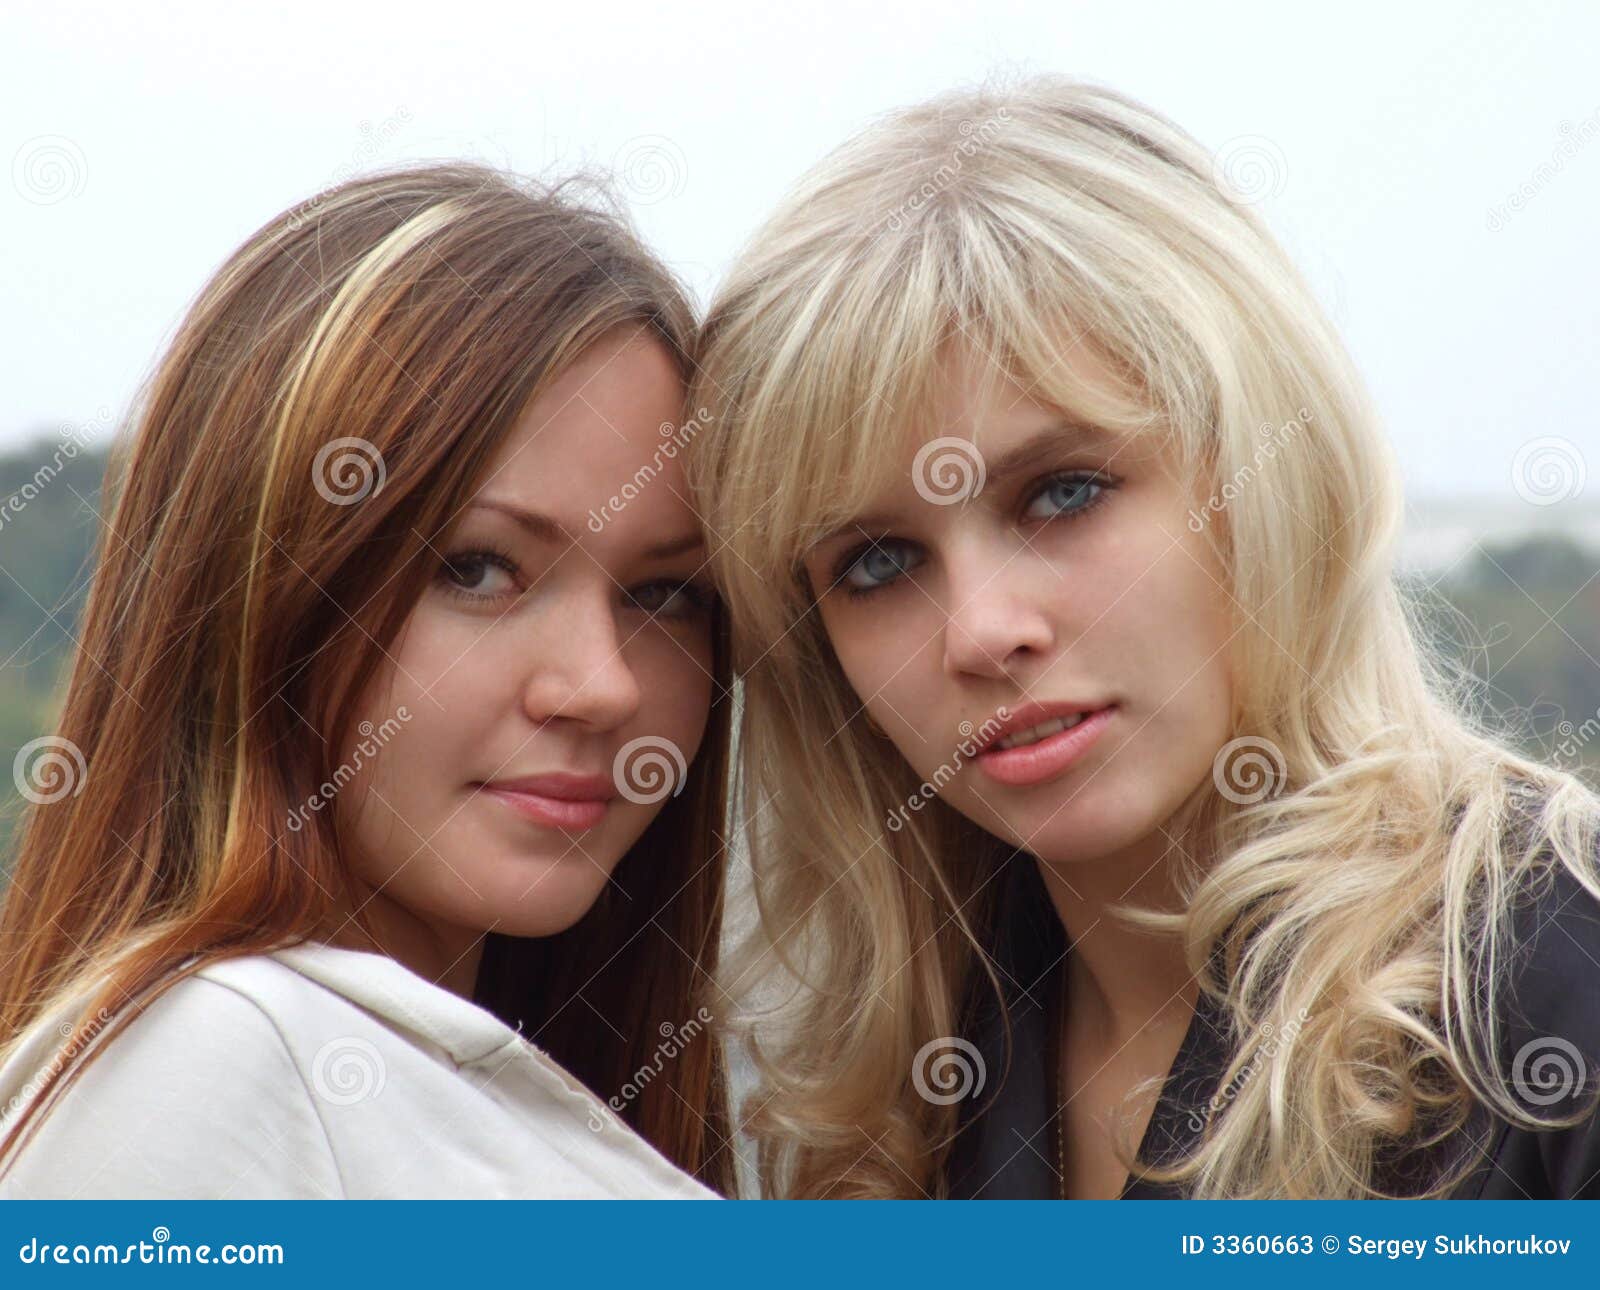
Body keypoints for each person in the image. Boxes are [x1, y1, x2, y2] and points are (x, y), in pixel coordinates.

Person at [684, 75, 1600, 1199]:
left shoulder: (1561, 989)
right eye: (875, 562)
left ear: (1263, 468)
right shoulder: (889, 1094)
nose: (980, 631)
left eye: (1062, 494)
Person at [0, 164, 732, 1199]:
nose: (603, 687)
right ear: (258, 594)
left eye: (666, 594)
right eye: (476, 569)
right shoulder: (212, 1068)